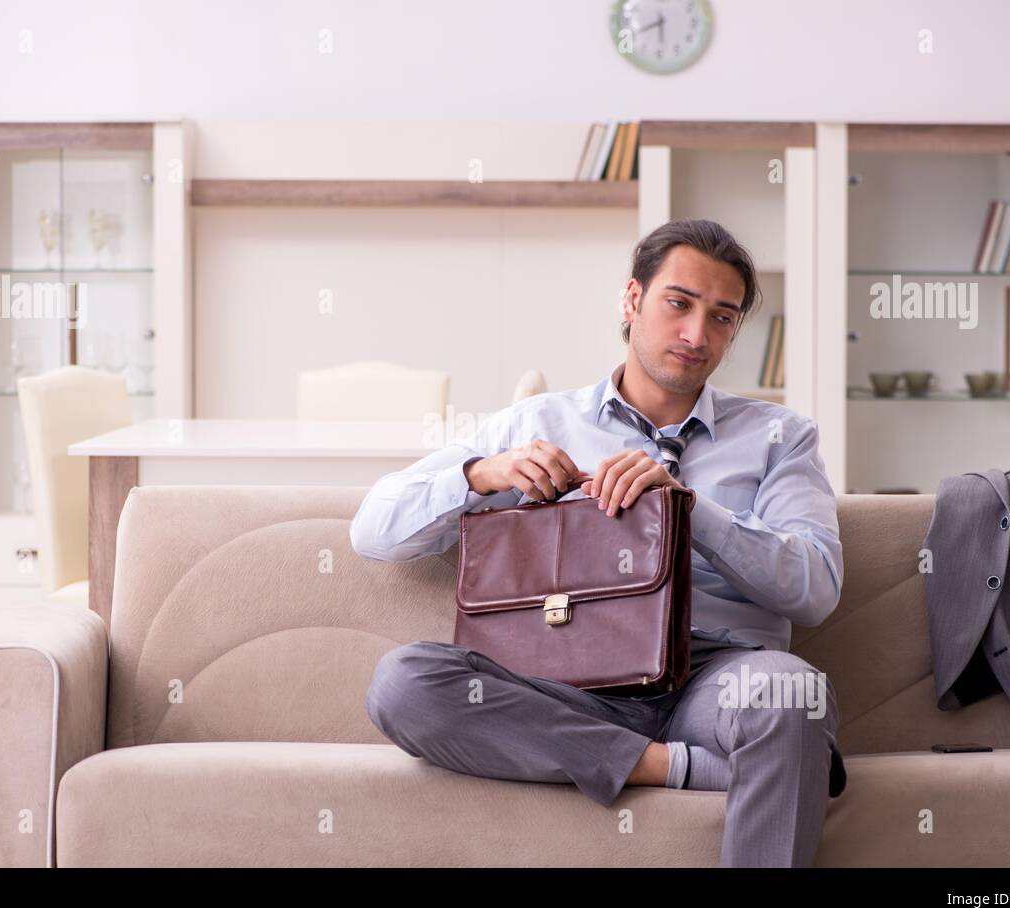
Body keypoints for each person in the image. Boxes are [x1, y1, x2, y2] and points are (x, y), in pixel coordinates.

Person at [350, 218, 847, 867]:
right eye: (679, 303)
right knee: (403, 682)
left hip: (717, 679)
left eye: (722, 317)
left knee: (792, 695)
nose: (698, 334)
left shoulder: (783, 437)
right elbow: (372, 529)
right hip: (570, 684)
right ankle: (675, 767)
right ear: (632, 300)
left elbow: (813, 588)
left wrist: (689, 509)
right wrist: (480, 475)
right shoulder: (535, 423)